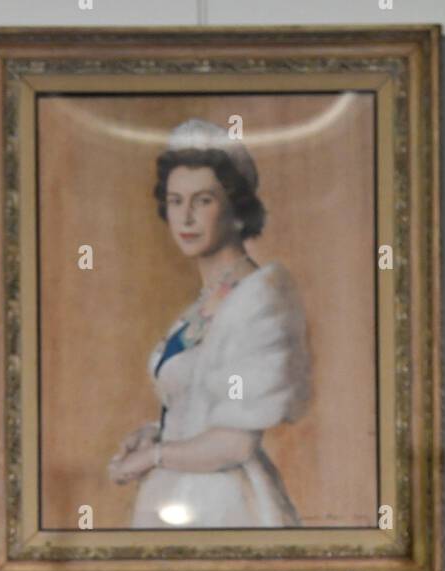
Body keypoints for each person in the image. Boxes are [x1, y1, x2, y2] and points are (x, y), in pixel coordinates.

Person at [108, 119, 310, 528]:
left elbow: (235, 442)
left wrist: (154, 456)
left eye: (202, 201)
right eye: (175, 200)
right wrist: (154, 435)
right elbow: (198, 409)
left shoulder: (259, 299)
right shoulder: (201, 306)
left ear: (235, 208)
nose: (185, 217)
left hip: (227, 505)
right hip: (175, 499)